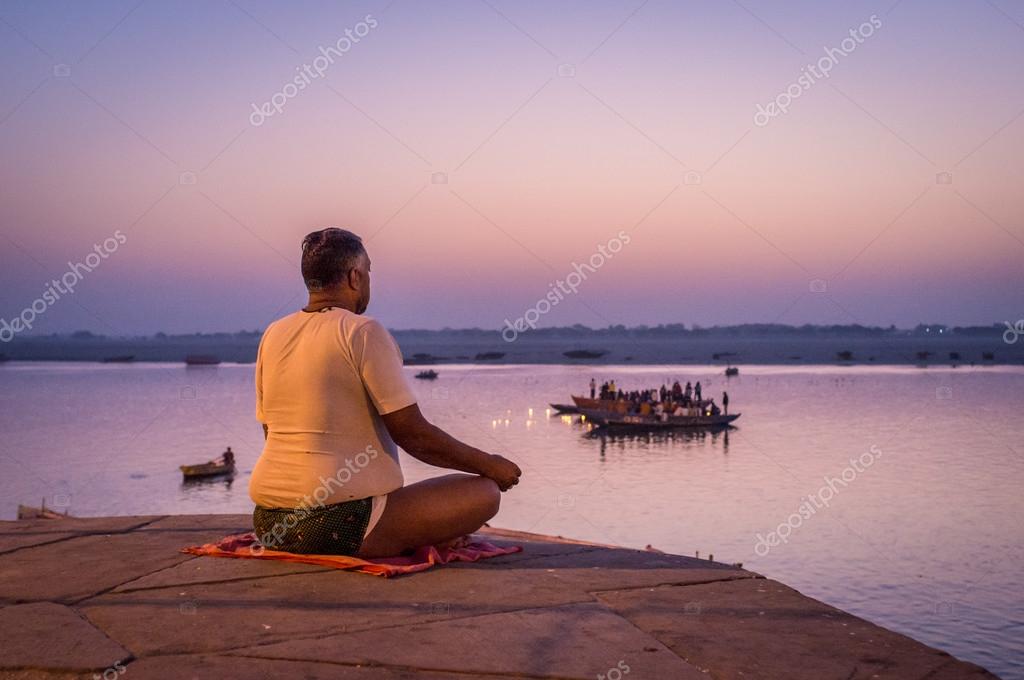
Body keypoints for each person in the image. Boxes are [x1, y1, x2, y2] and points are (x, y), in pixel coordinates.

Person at [250, 228, 521, 558]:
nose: (368, 283)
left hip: (269, 523)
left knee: (417, 503)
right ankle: (407, 536)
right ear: (354, 276)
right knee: (485, 493)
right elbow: (412, 434)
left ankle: (409, 531)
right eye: (368, 273)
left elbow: (269, 430)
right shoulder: (363, 332)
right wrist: (490, 464)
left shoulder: (273, 335)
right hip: (342, 523)